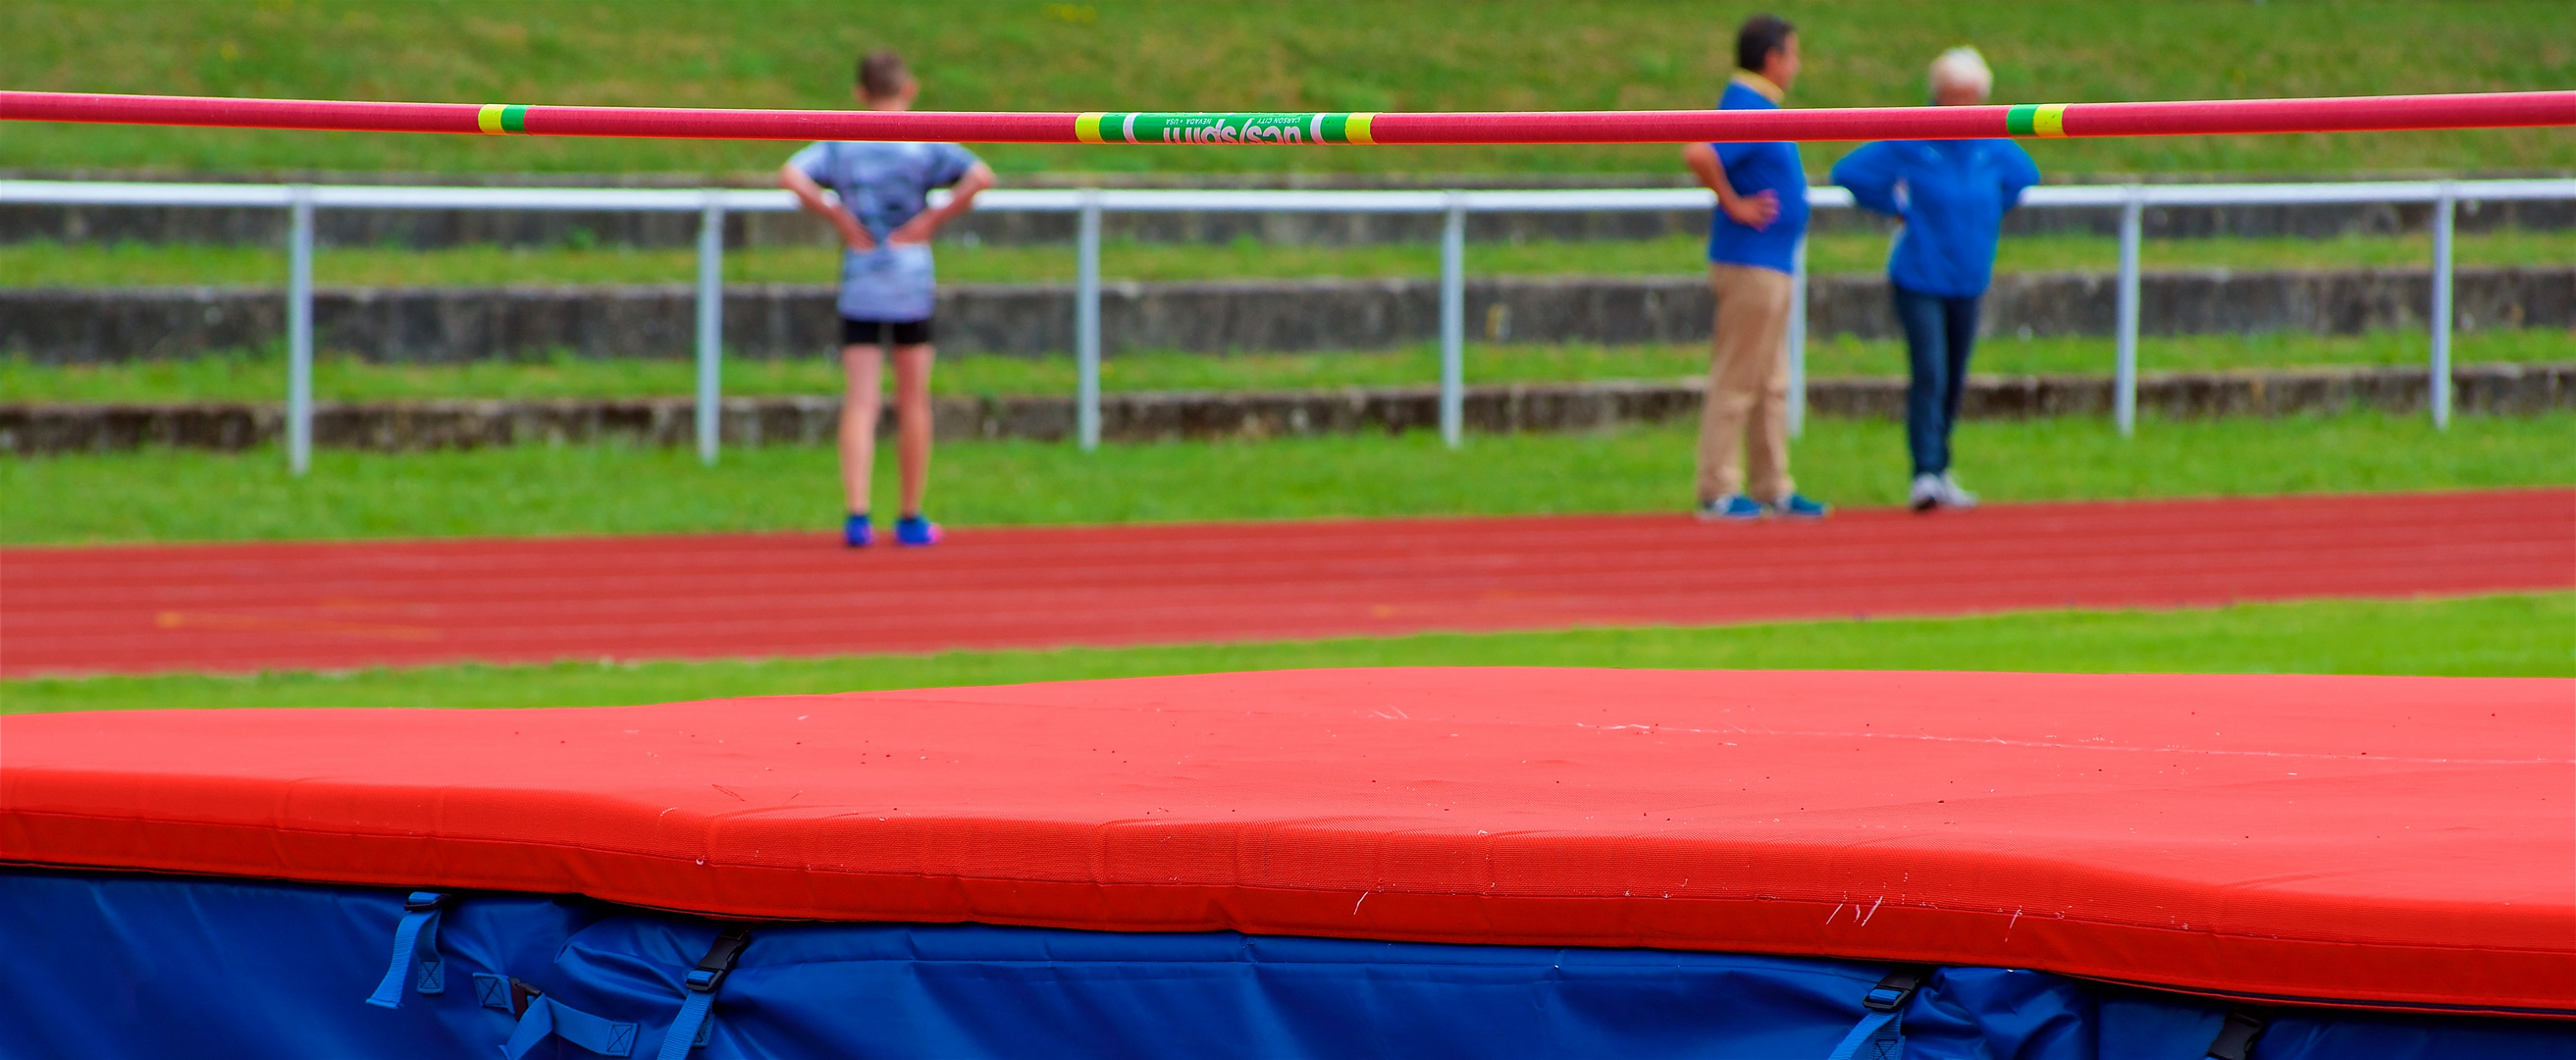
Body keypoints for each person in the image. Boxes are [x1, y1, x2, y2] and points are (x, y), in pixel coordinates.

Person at [780, 49, 995, 548]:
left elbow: (790, 174)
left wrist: (840, 219)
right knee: (913, 401)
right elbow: (981, 175)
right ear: (909, 89)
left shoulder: (843, 141)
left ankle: (857, 515)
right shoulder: (922, 141)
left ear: (859, 93)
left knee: (861, 402)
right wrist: (929, 223)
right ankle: (909, 515)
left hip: (861, 277)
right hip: (909, 278)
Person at [1829, 47, 2039, 512]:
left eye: (1971, 98)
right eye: (1953, 98)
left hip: (1969, 276)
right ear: (1937, 97)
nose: (1962, 108)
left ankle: (1941, 468)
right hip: (1920, 275)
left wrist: (1981, 214)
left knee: (1954, 377)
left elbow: (2025, 176)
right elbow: (1850, 173)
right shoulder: (1912, 134)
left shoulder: (1992, 141)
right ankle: (1924, 471)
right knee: (1930, 370)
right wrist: (1899, 208)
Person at [1680, 13, 1828, 522]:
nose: (1797, 64)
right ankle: (1717, 488)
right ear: (1772, 58)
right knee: (1739, 379)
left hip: (1772, 264)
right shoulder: (1747, 104)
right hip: (1750, 264)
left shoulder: (1761, 104)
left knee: (1771, 383)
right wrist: (1734, 203)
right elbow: (1699, 153)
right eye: (1793, 53)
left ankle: (1772, 486)